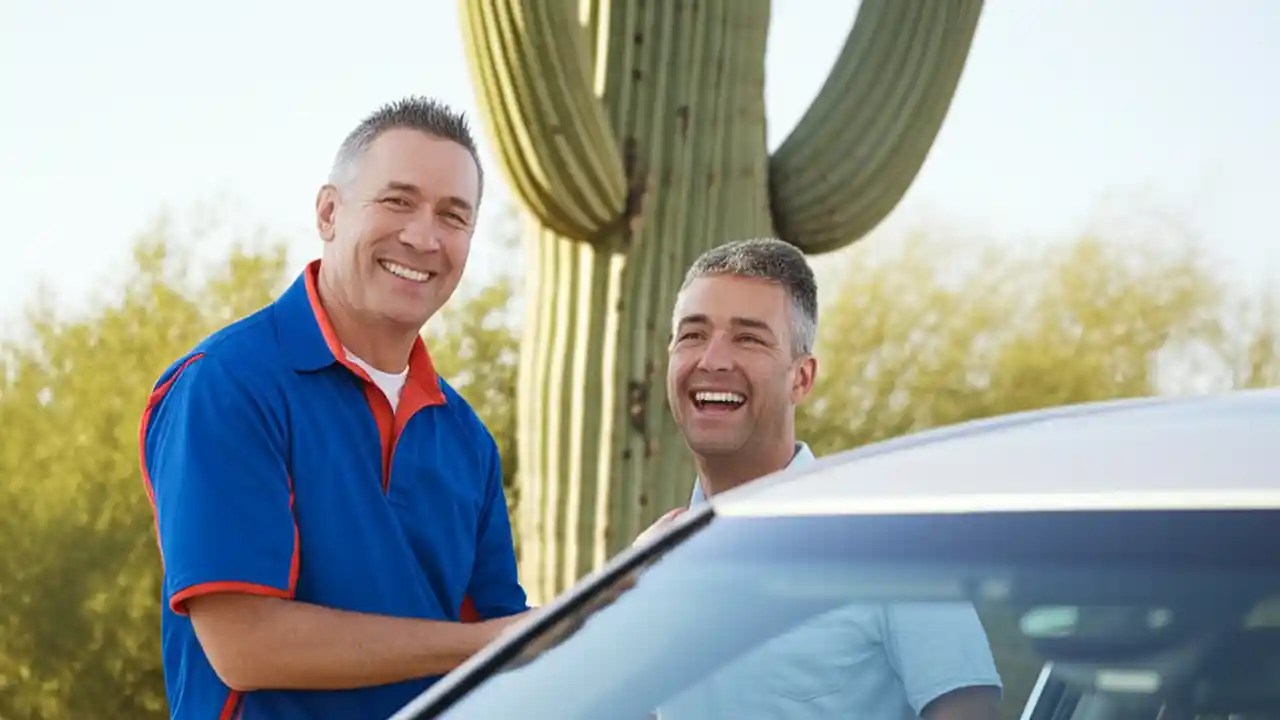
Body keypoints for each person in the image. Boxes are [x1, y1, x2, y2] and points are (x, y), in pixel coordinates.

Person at [138, 96, 530, 719]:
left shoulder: (466, 439)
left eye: (453, 216)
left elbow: (513, 656)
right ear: (328, 212)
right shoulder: (227, 385)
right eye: (398, 201)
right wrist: (475, 646)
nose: (423, 236)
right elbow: (245, 646)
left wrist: (633, 588)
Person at [645, 237, 1003, 719]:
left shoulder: (893, 544)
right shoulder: (650, 564)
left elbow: (968, 712)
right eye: (692, 335)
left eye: (748, 338)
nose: (711, 360)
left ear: (802, 378)